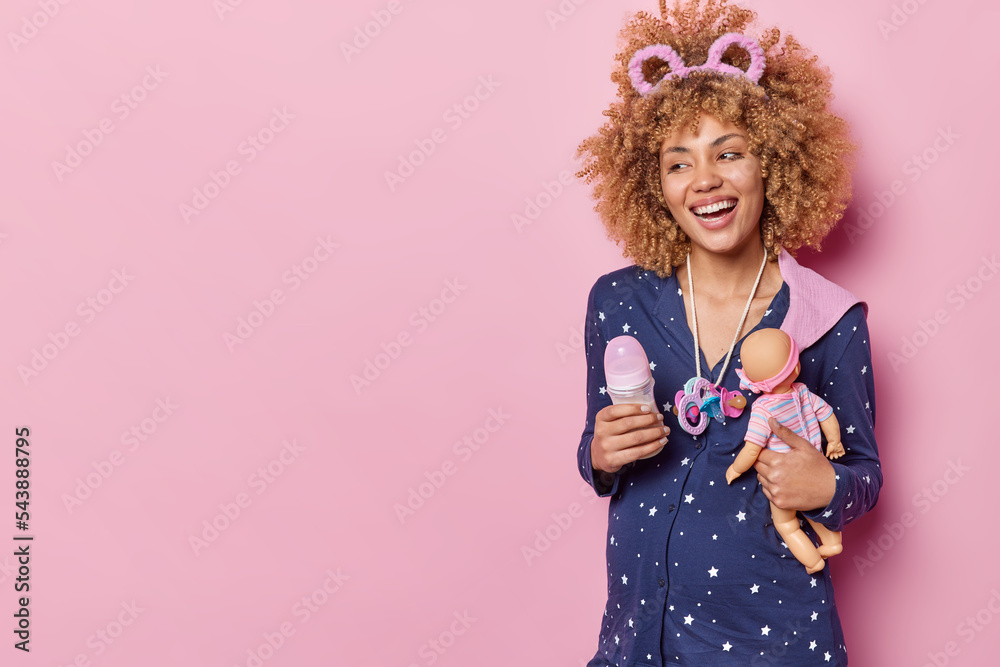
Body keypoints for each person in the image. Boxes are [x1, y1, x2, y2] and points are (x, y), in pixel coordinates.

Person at [573, 1, 882, 665]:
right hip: (633, 642)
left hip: (767, 643)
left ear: (773, 162)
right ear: (652, 183)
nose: (705, 180)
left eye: (730, 153)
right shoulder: (616, 303)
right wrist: (598, 453)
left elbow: (864, 476)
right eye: (678, 162)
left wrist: (825, 486)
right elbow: (594, 454)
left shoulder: (826, 317)